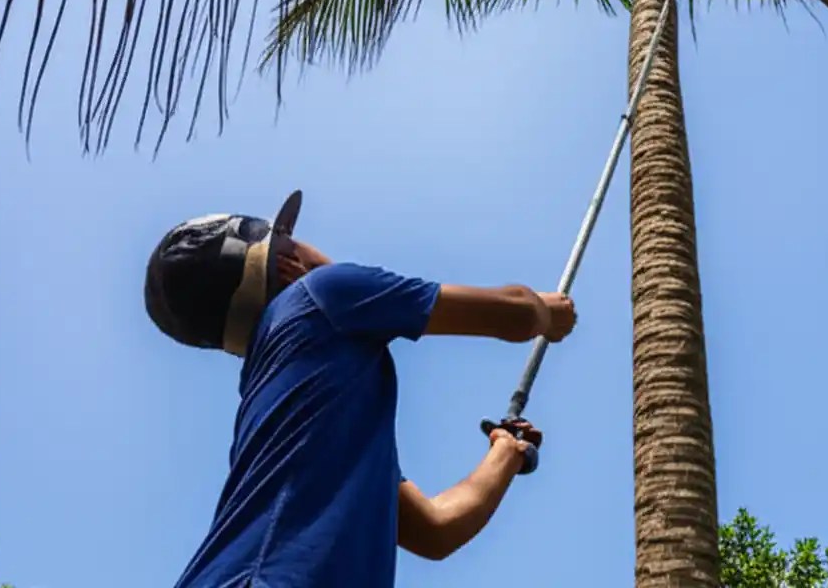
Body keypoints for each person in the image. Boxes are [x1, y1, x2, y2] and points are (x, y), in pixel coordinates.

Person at [143, 190, 576, 587]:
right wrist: (547, 312)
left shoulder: (283, 403)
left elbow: (434, 529)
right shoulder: (321, 293)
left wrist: (506, 453)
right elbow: (515, 314)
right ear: (285, 264)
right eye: (289, 236)